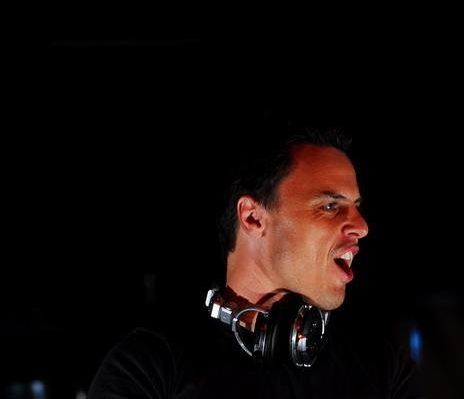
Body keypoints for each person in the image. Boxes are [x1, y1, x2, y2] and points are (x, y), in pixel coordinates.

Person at [88, 127, 426, 398]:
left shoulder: (383, 368)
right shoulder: (150, 367)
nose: (362, 227)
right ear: (253, 217)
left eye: (356, 207)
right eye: (329, 206)